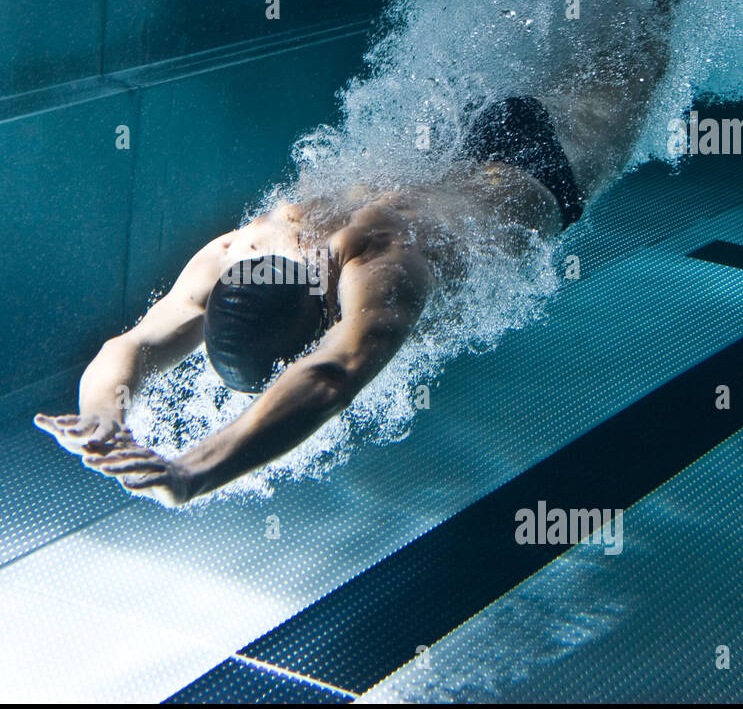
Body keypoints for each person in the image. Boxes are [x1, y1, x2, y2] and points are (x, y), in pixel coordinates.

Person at [35, 76, 664, 506]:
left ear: (318, 324)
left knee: (645, 51)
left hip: (541, 168)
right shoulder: (245, 250)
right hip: (459, 138)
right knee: (598, 42)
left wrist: (193, 471)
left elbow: (332, 377)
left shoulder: (382, 271)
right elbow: (136, 344)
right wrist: (102, 422)